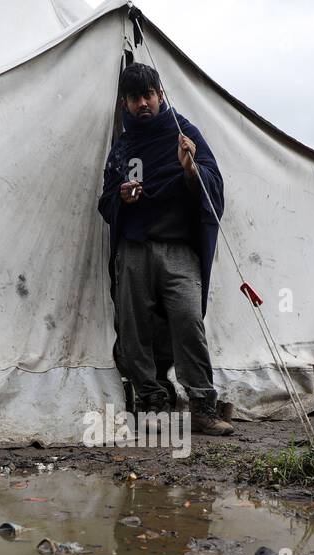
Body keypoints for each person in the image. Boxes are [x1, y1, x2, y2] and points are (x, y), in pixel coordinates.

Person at [97, 63, 233, 436]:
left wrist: (191, 169)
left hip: (178, 249)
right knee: (134, 328)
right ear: (125, 103)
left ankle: (202, 405)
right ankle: (152, 401)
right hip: (134, 249)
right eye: (134, 97)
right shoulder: (122, 148)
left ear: (160, 94)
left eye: (149, 95)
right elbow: (106, 201)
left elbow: (214, 187)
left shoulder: (184, 133)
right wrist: (122, 197)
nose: (143, 103)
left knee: (188, 321)